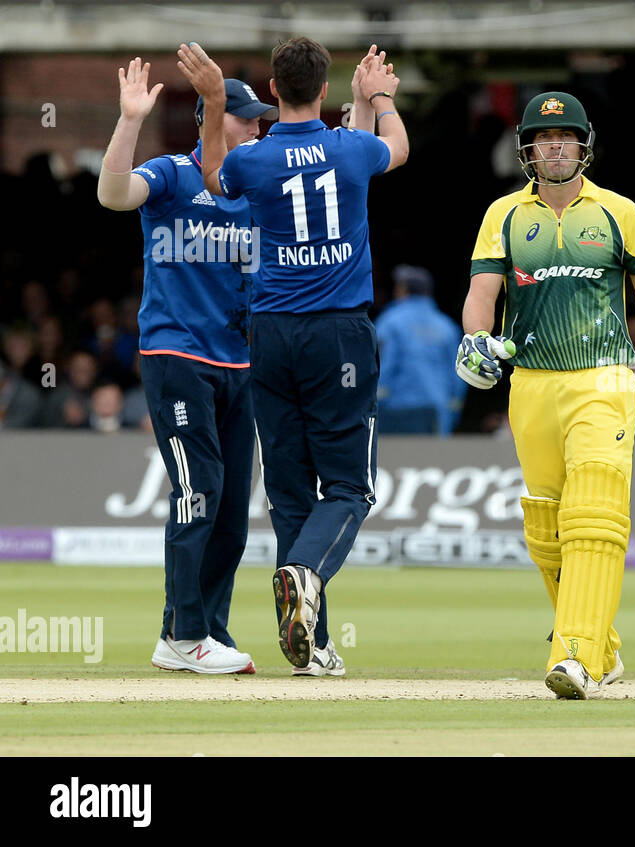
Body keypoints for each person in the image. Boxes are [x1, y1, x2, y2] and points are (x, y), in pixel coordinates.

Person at [459, 91, 635, 699]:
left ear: (583, 145)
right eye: (545, 140)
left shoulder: (620, 212)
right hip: (531, 384)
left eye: (565, 138)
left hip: (604, 380)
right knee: (547, 527)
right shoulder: (505, 216)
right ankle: (607, 650)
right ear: (528, 149)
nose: (556, 147)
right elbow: (483, 294)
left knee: (593, 517)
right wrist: (475, 340)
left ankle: (574, 657)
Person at [178, 39, 409, 676]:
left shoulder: (254, 157)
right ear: (325, 87)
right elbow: (398, 149)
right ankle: (305, 571)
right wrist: (379, 98)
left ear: (274, 92)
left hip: (272, 334)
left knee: (288, 495)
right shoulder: (352, 147)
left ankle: (313, 645)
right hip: (337, 335)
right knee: (350, 487)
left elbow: (212, 176)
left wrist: (215, 99)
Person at [98, 58, 275, 674]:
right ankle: (183, 634)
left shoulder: (255, 192)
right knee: (196, 491)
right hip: (176, 357)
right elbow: (113, 194)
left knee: (229, 509)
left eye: (257, 124)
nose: (255, 133)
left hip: (240, 362)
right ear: (213, 120)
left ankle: (204, 632)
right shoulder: (172, 175)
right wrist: (128, 122)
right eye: (245, 122)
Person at [375, 264, 465, 435]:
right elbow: (458, 374)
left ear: (403, 290)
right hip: (436, 409)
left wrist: (373, 403)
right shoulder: (447, 326)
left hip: (396, 408)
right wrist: (451, 412)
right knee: (429, 461)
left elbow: (382, 366)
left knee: (394, 461)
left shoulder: (390, 322)